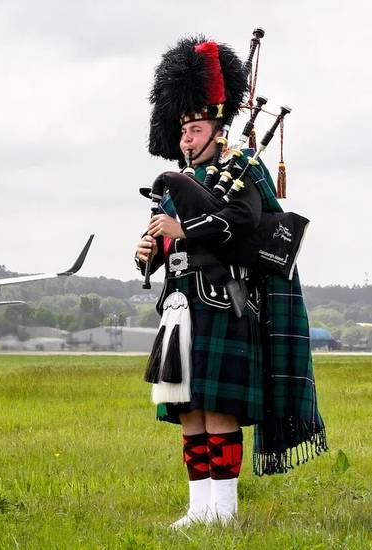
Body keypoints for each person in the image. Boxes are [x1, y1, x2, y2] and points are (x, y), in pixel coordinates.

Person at [136, 35, 327, 528]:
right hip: (181, 306)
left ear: (217, 130)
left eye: (196, 130)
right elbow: (168, 243)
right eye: (183, 133)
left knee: (219, 409)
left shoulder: (242, 168)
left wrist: (185, 228)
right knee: (188, 411)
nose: (187, 140)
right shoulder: (180, 183)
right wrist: (148, 254)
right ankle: (199, 510)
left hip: (225, 301)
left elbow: (241, 222)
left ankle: (225, 510)